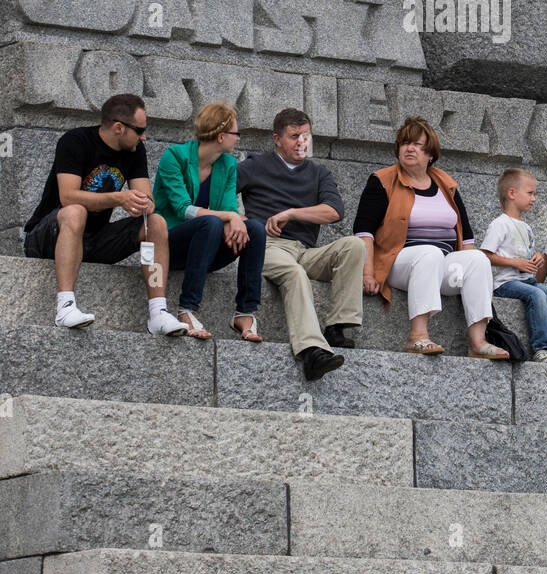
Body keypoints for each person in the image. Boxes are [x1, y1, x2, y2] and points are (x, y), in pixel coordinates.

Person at [22, 92, 185, 335]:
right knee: (75, 211)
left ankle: (158, 313)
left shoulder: (134, 151)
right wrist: (119, 198)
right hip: (48, 238)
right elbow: (68, 196)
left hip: (95, 242)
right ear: (119, 127)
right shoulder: (75, 141)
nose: (144, 136)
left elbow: (146, 197)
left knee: (156, 222)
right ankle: (65, 306)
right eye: (140, 130)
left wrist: (144, 204)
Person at [353, 116, 507, 359]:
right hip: (398, 263)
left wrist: (473, 274)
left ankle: (477, 343)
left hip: (440, 267)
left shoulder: (446, 185)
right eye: (405, 143)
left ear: (430, 154)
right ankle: (418, 336)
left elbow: (465, 236)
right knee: (429, 253)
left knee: (477, 259)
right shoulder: (382, 180)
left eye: (418, 144)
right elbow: (364, 231)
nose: (410, 148)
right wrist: (367, 273)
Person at [236, 108, 364, 383]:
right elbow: (218, 194)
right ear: (277, 138)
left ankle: (336, 327)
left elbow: (334, 212)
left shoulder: (319, 173)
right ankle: (311, 352)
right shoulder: (254, 166)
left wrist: (292, 213)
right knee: (294, 273)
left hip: (304, 250)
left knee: (353, 246)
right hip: (267, 246)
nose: (301, 142)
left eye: (306, 136)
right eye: (294, 136)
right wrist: (242, 221)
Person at [152, 102, 266, 340]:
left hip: (206, 247)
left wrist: (232, 217)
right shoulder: (175, 156)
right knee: (211, 223)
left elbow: (227, 208)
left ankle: (244, 312)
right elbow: (182, 209)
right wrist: (231, 216)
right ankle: (187, 309)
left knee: (255, 228)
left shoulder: (228, 164)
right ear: (221, 136)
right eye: (236, 133)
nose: (238, 139)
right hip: (169, 245)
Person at [481, 168, 547, 364]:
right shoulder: (499, 224)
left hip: (526, 280)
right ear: (512, 193)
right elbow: (485, 255)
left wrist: (536, 258)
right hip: (505, 283)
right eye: (530, 193)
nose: (533, 198)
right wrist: (514, 263)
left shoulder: (526, 227)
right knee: (538, 295)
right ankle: (541, 349)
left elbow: (526, 254)